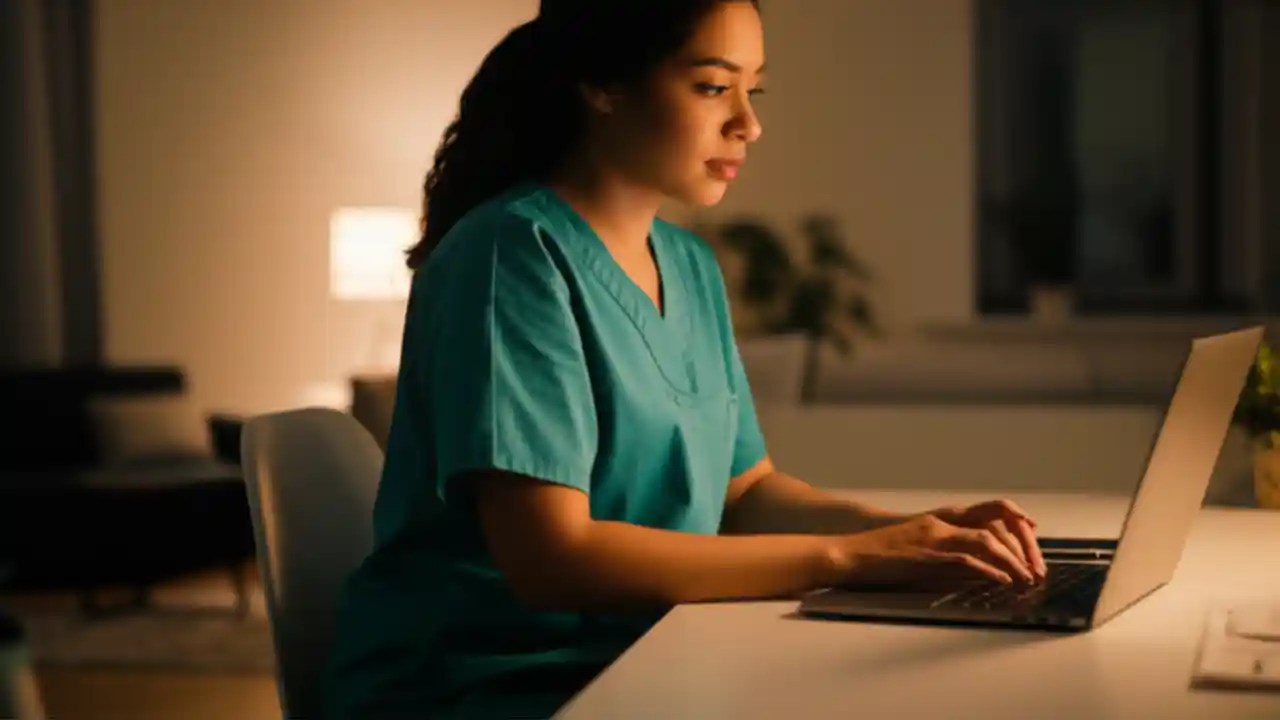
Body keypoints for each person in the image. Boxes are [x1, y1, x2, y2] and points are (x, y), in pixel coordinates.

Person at [323, 1, 1048, 718]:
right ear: (604, 83)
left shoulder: (689, 264)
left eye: (752, 90)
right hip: (486, 683)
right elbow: (550, 558)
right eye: (711, 87)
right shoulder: (511, 254)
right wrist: (852, 560)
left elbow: (745, 493)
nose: (748, 123)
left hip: (643, 654)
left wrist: (909, 533)